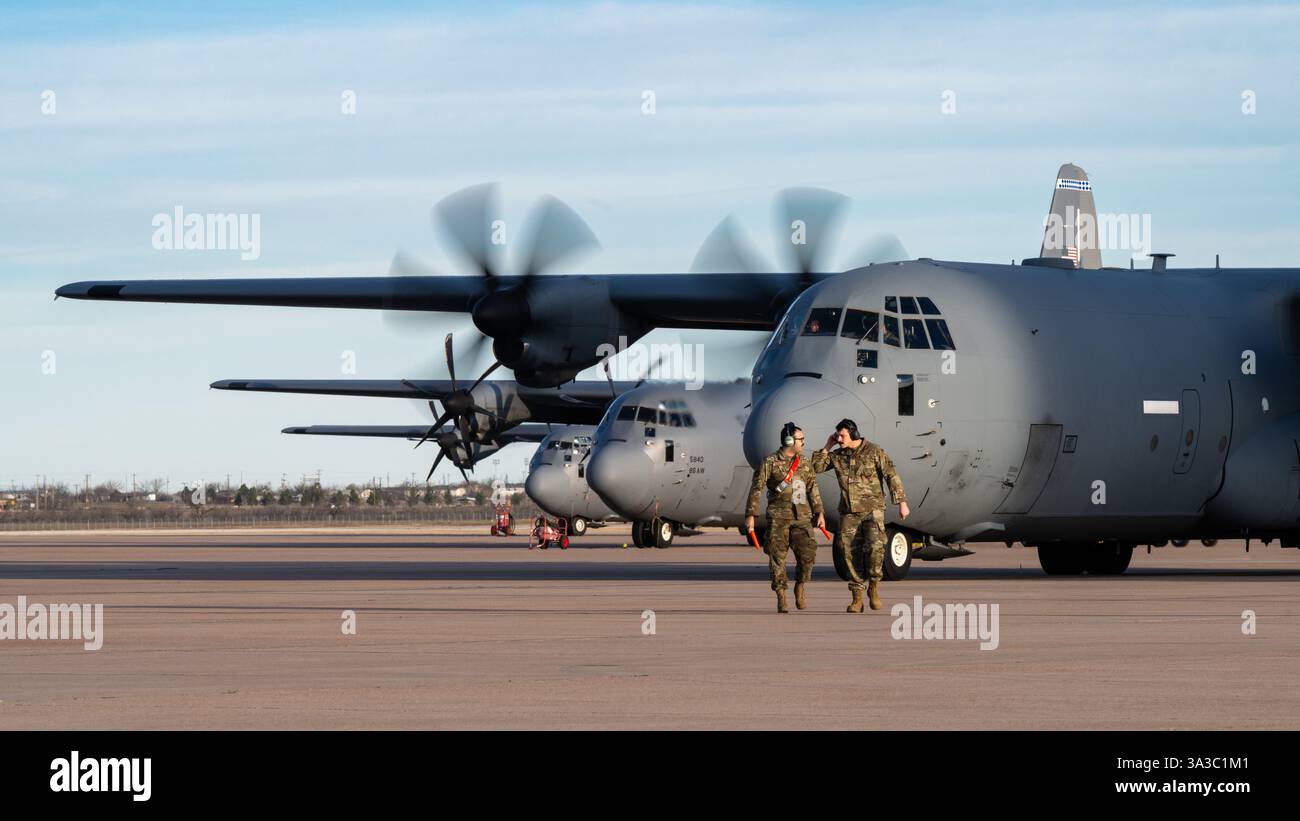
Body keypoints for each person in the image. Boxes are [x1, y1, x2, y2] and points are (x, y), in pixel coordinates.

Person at [810, 419, 908, 613]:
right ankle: (857, 597)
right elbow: (815, 467)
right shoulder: (837, 455)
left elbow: (891, 475)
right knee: (847, 551)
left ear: (854, 434)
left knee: (875, 547)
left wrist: (902, 503)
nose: (839, 439)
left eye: (842, 436)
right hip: (848, 511)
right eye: (837, 436)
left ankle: (874, 586)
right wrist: (828, 445)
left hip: (873, 509)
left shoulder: (874, 451)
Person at [745, 423, 825, 613]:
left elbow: (813, 487)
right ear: (789, 441)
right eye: (800, 439)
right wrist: (751, 515)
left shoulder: (805, 463)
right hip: (778, 518)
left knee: (808, 556)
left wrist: (819, 512)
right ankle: (781, 596)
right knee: (777, 559)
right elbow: (757, 488)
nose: (803, 442)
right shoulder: (770, 462)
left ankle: (800, 585)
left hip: (802, 518)